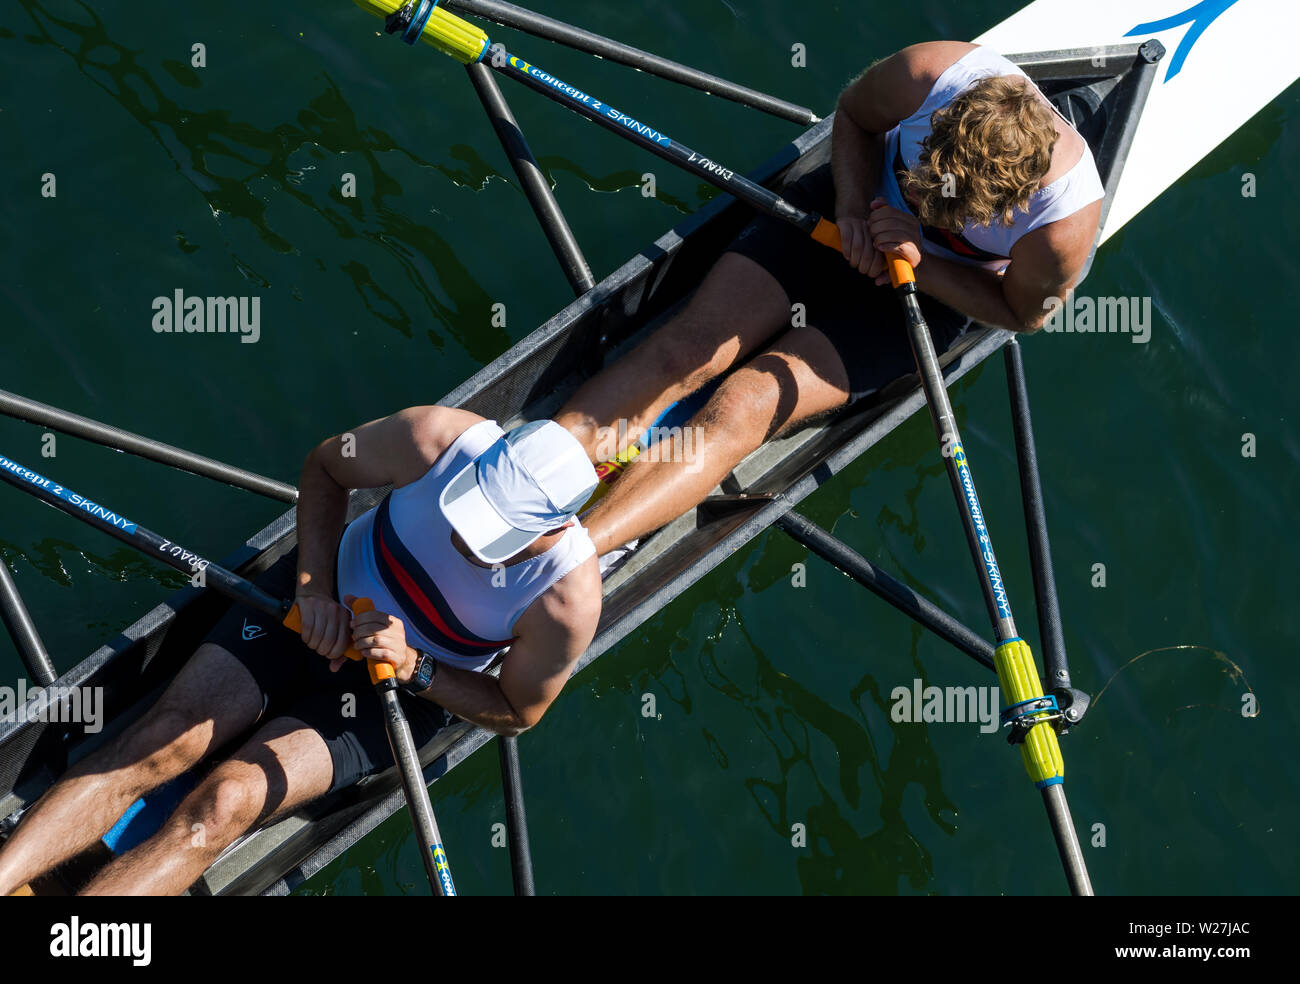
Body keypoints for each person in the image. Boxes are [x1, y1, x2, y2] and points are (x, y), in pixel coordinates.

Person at [0, 407, 602, 895]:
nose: (467, 537)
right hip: (307, 605)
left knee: (224, 805)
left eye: (496, 531)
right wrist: (316, 587)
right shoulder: (435, 438)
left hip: (393, 691)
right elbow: (325, 466)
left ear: (555, 528)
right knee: (168, 738)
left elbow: (516, 712)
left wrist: (416, 666)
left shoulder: (565, 603)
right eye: (474, 508)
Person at [556, 41, 1103, 557]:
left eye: (941, 204)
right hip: (846, 209)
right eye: (918, 181)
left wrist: (921, 263)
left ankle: (568, 557)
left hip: (932, 291)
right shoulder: (927, 74)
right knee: (688, 350)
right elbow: (855, 116)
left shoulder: (1062, 229)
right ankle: (530, 475)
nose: (918, 199)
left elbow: (1019, 313)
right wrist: (853, 210)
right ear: (938, 121)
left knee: (749, 401)